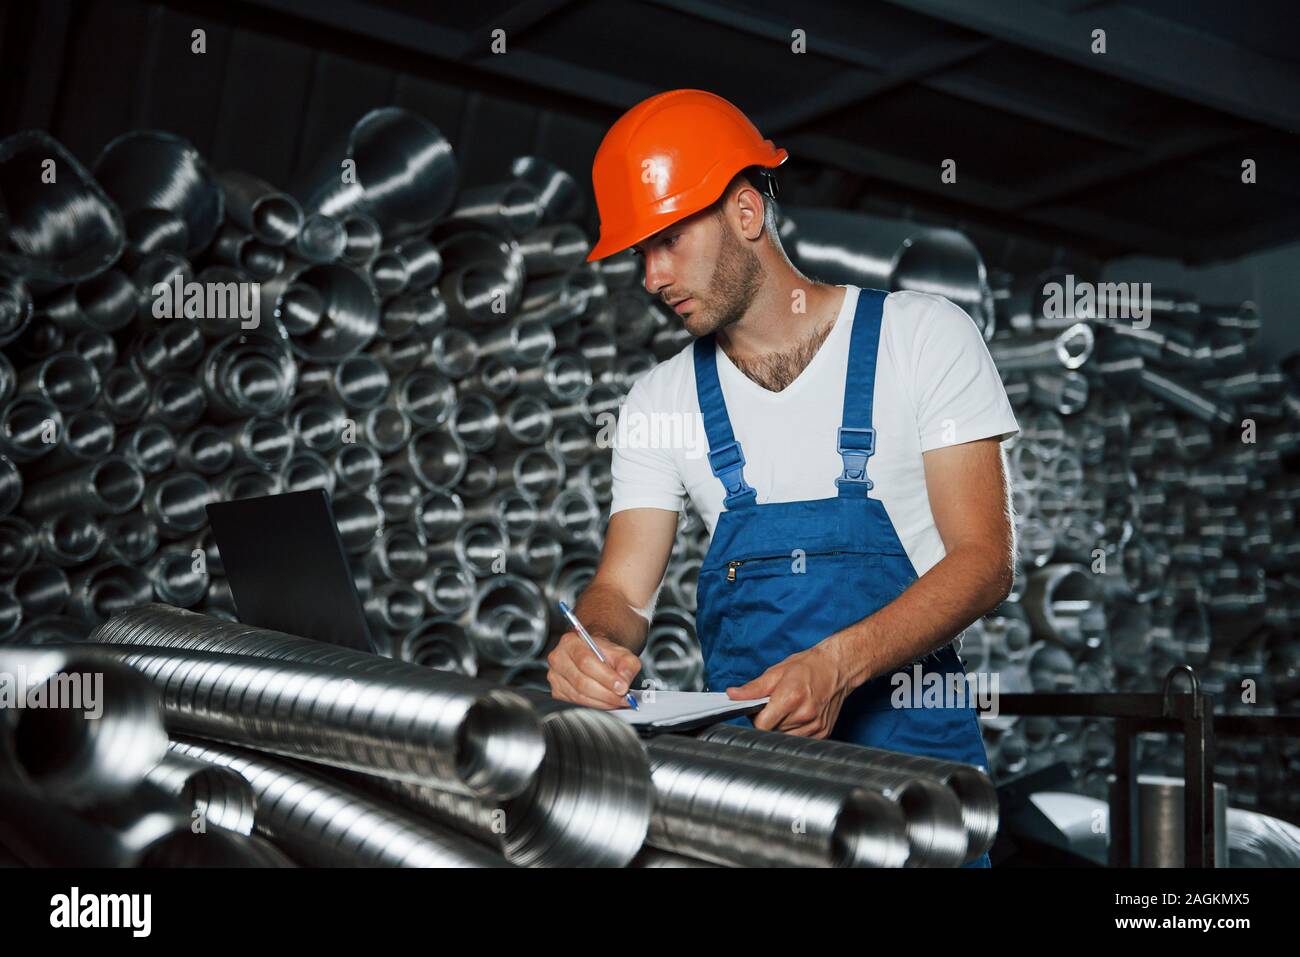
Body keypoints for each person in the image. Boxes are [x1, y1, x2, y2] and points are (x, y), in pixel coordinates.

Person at [547, 89, 1019, 867]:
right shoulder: (659, 400)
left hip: (918, 789)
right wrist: (592, 645)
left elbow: (983, 560)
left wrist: (839, 665)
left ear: (743, 213)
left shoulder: (924, 338)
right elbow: (624, 592)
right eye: (639, 252)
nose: (649, 275)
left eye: (666, 239)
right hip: (753, 793)